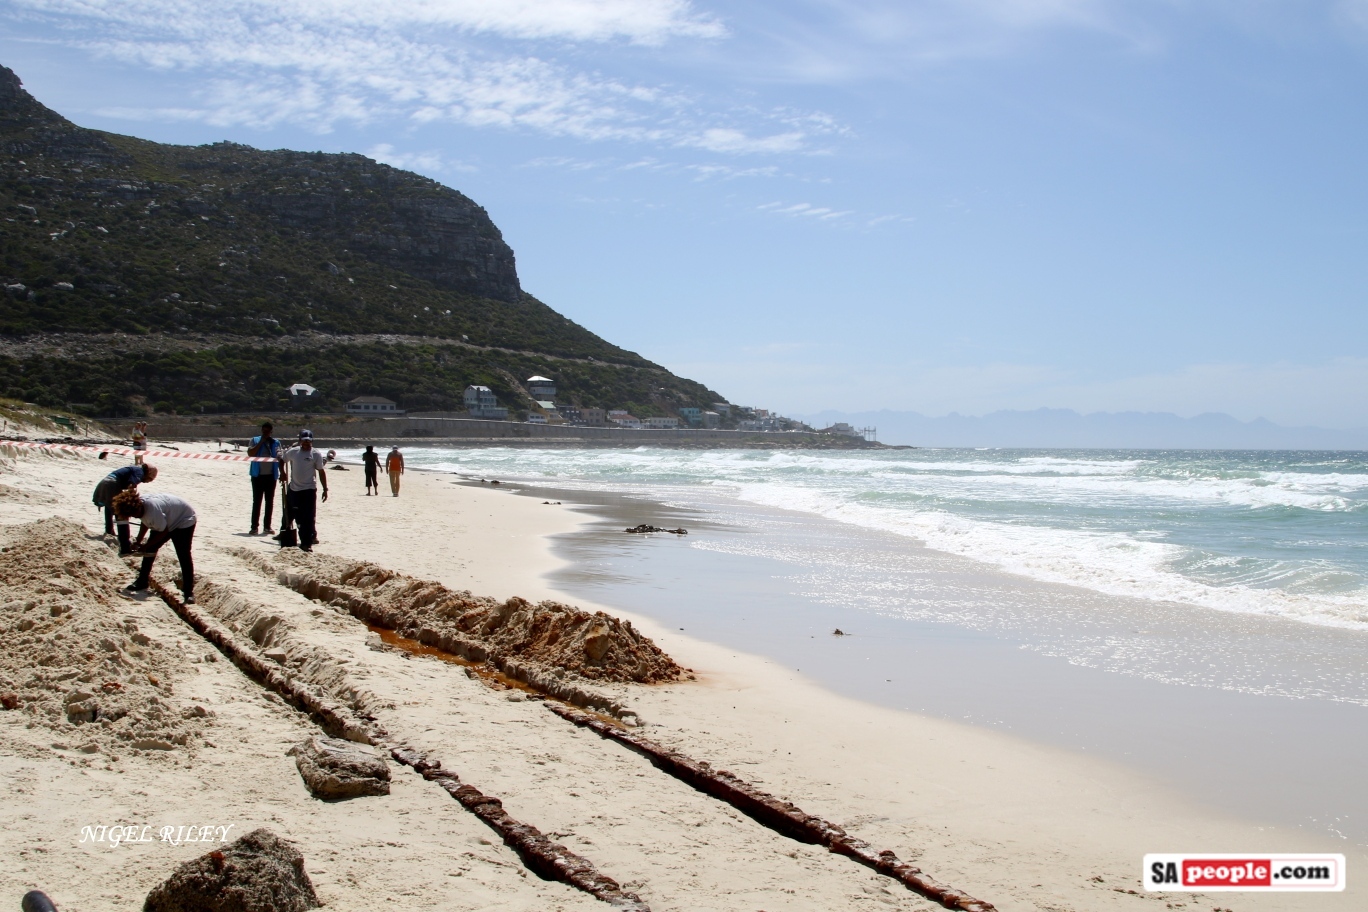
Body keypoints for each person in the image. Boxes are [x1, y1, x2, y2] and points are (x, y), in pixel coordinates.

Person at [112, 488, 197, 604]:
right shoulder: (140, 507)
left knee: (183, 554)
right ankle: (142, 581)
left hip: (184, 519)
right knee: (150, 550)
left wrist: (146, 545)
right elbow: (145, 521)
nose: (134, 517)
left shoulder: (152, 510)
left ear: (137, 507)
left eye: (134, 514)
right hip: (166, 518)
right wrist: (139, 540)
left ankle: (188, 592)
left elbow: (164, 531)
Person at [92, 462, 157, 554]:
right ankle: (125, 547)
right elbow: (132, 485)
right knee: (122, 514)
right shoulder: (140, 472)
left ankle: (109, 530)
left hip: (105, 482)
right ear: (148, 473)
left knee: (110, 505)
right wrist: (131, 502)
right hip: (112, 484)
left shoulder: (134, 468)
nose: (147, 481)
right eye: (149, 479)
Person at [281, 429, 328, 552]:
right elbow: (281, 460)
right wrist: (282, 473)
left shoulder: (315, 454)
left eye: (309, 441)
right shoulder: (293, 452)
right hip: (294, 490)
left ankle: (307, 543)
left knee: (309, 517)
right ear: (300, 441)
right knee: (298, 517)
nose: (307, 444)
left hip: (309, 490)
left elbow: (321, 472)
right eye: (304, 441)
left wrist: (325, 489)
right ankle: (301, 539)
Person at [247, 421, 282, 535]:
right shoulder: (255, 440)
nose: (265, 433)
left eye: (268, 431)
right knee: (257, 501)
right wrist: (261, 442)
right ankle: (254, 527)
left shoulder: (276, 442)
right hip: (257, 475)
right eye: (264, 431)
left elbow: (279, 457)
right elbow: (251, 453)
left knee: (269, 502)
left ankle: (267, 526)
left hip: (271, 476)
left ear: (271, 432)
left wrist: (282, 473)